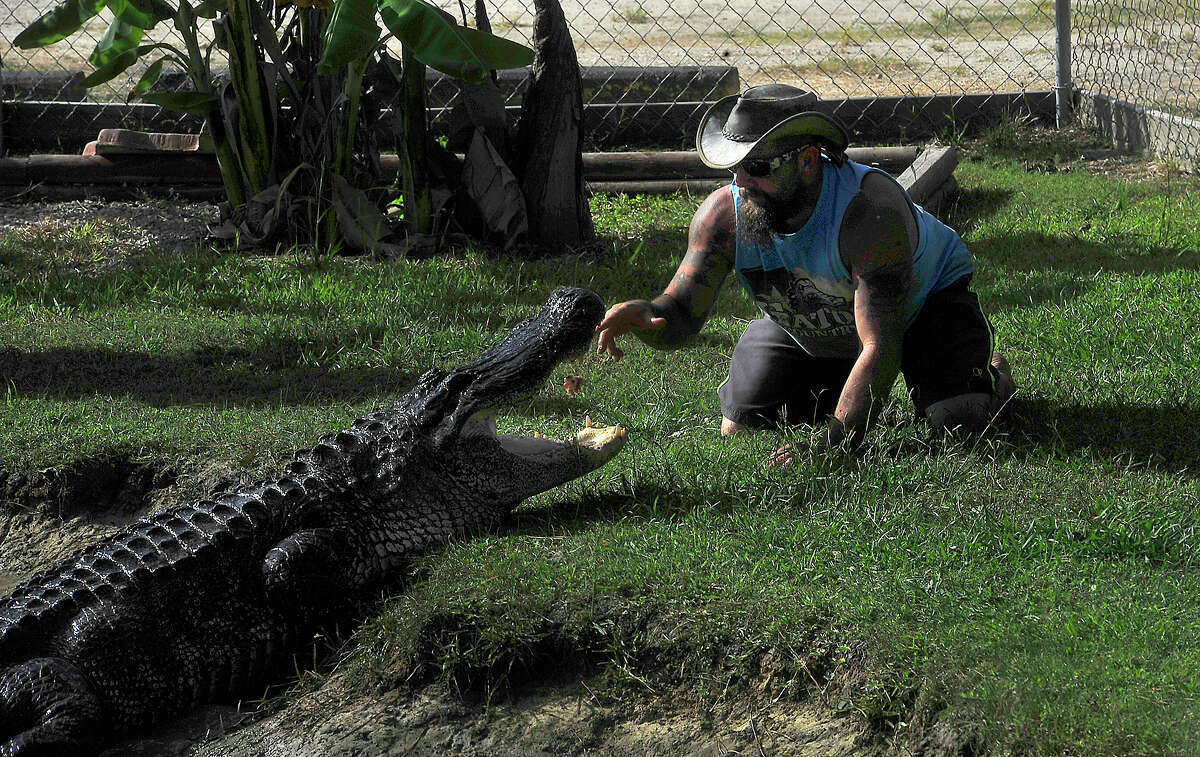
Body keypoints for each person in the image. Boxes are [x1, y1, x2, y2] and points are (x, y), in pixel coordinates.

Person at [595, 84, 1014, 464]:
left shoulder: (869, 213)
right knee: (742, 427)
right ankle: (840, 384)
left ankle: (989, 373)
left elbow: (881, 343)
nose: (741, 181)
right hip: (818, 325)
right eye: (734, 166)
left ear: (809, 161)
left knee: (958, 422)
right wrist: (645, 317)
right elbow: (679, 317)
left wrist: (831, 447)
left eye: (758, 165)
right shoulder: (722, 216)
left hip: (922, 308)